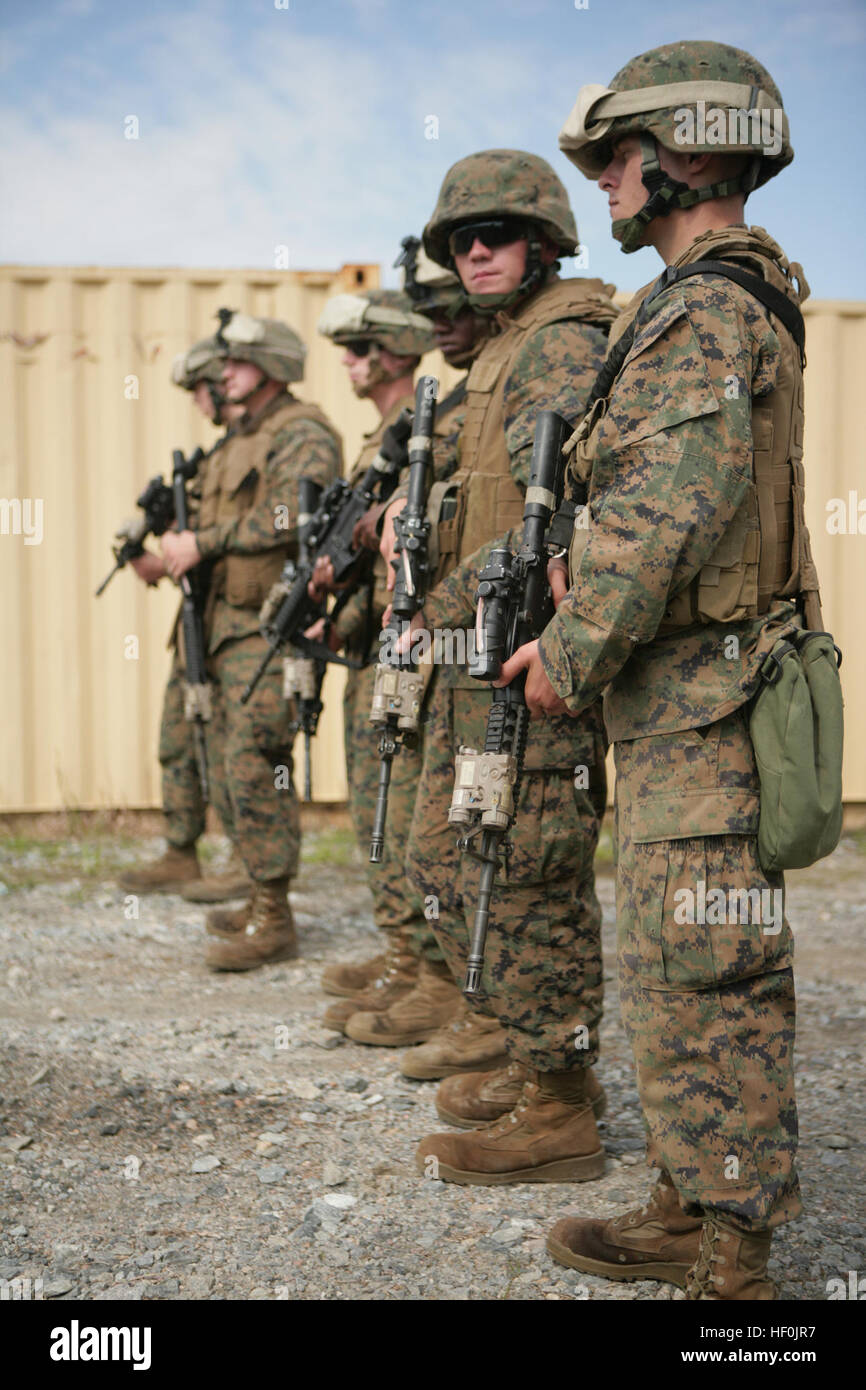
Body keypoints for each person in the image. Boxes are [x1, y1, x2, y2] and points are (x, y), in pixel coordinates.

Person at [502, 42, 819, 1298]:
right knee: (678, 962)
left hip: (703, 701)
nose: (604, 187)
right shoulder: (715, 303)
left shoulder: (703, 310)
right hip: (686, 697)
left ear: (677, 151)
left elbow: (667, 511)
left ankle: (730, 1256)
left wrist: (567, 658)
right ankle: (691, 1196)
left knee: (710, 966)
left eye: (614, 159)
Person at [380, 152, 620, 1187]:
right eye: (459, 238)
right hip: (470, 651)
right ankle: (520, 1050)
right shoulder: (502, 351)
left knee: (528, 874)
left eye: (496, 234)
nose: (474, 251)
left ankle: (559, 1107)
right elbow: (482, 504)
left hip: (520, 655)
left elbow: (559, 511)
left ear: (544, 242)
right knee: (462, 859)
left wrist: (438, 617)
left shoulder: (560, 343)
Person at [161, 310, 343, 971]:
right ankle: (261, 897)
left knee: (256, 756)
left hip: (277, 624)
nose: (224, 372)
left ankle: (276, 916)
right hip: (232, 623)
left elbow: (295, 513)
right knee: (237, 757)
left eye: (235, 362)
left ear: (268, 367)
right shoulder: (246, 435)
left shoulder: (303, 432)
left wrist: (203, 544)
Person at [313, 290, 466, 1044]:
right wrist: (332, 613)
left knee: (405, 814)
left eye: (358, 346)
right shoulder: (381, 439)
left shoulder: (431, 430)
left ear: (398, 351)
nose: (347, 360)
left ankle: (432, 973)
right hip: (385, 644)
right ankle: (407, 961)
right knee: (379, 811)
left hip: (425, 646)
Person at [118, 336, 249, 902]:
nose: (198, 401)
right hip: (202, 619)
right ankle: (181, 850)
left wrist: (194, 541)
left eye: (201, 388)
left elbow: (276, 531)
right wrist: (153, 552)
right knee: (178, 736)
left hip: (242, 624)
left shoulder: (280, 439)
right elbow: (198, 547)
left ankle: (252, 866)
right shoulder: (223, 452)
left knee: (240, 749)